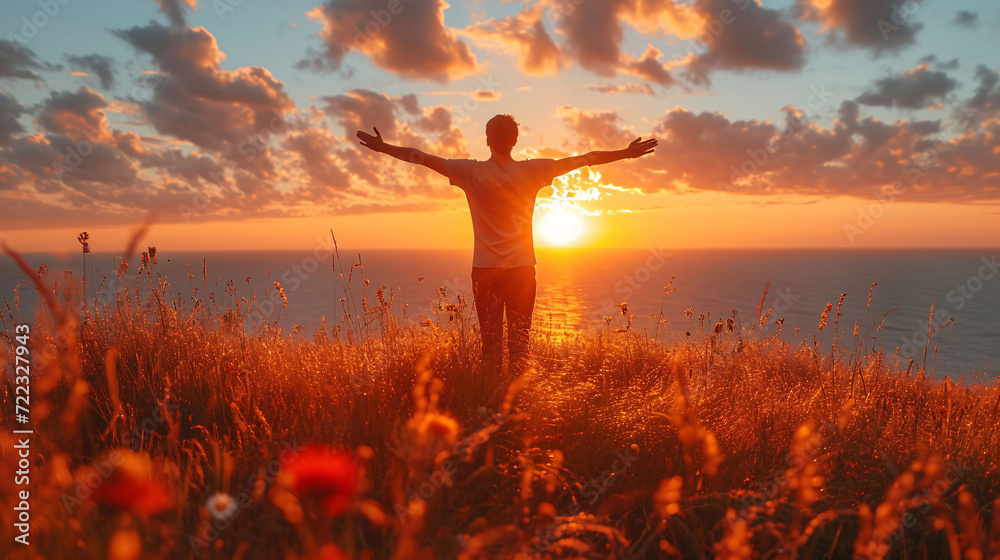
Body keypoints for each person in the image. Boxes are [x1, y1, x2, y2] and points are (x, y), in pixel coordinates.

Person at [357, 114, 657, 378]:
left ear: (487, 140)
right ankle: (513, 410)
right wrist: (626, 153)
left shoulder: (469, 171)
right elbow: (585, 158)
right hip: (522, 272)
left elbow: (418, 155)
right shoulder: (534, 171)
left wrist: (383, 148)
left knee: (490, 345)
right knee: (519, 345)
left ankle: (491, 407)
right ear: (515, 140)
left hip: (485, 271)